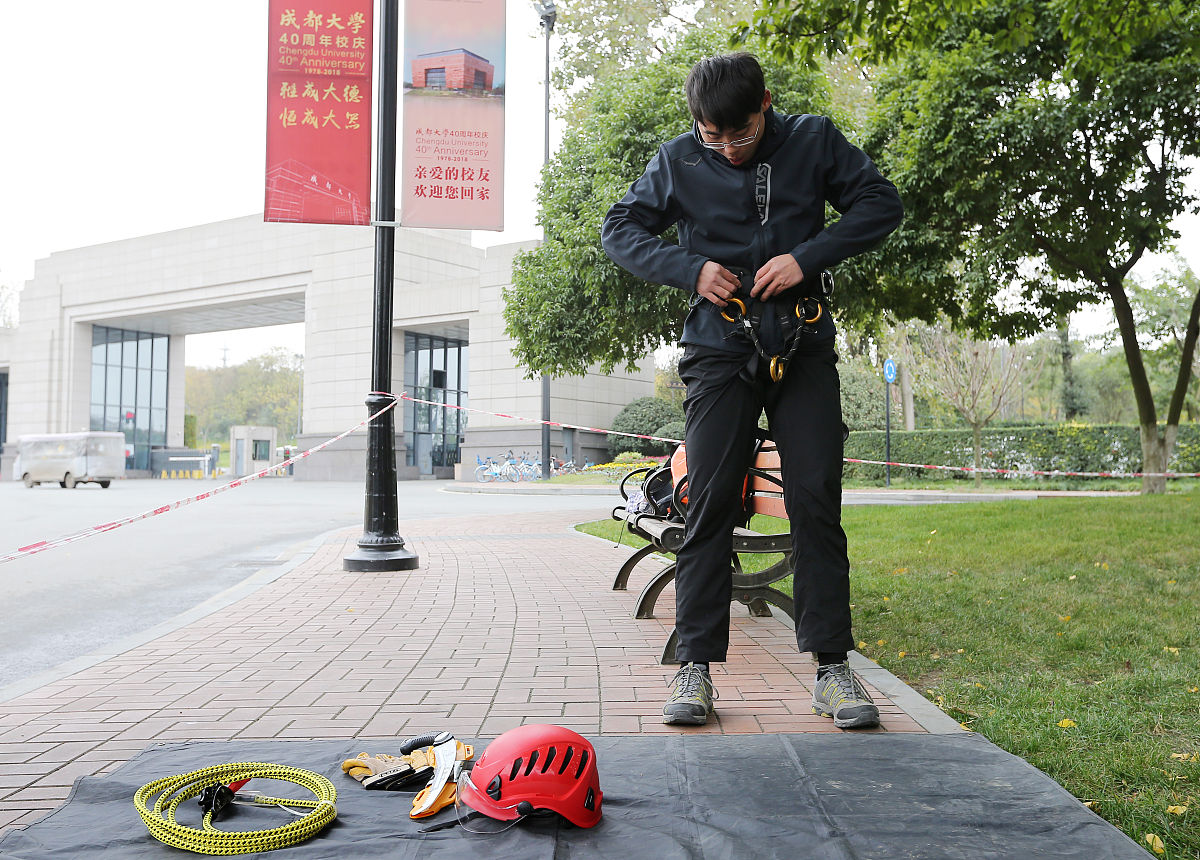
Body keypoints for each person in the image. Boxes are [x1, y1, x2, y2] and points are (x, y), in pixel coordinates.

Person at [601, 52, 903, 729]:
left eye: (740, 132)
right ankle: (696, 669)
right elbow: (619, 229)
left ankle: (833, 670)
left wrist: (808, 257)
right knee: (706, 503)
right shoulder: (678, 159)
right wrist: (689, 267)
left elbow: (882, 203)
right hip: (718, 352)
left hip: (802, 345)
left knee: (816, 500)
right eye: (714, 137)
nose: (729, 148)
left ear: (766, 103)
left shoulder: (814, 140)